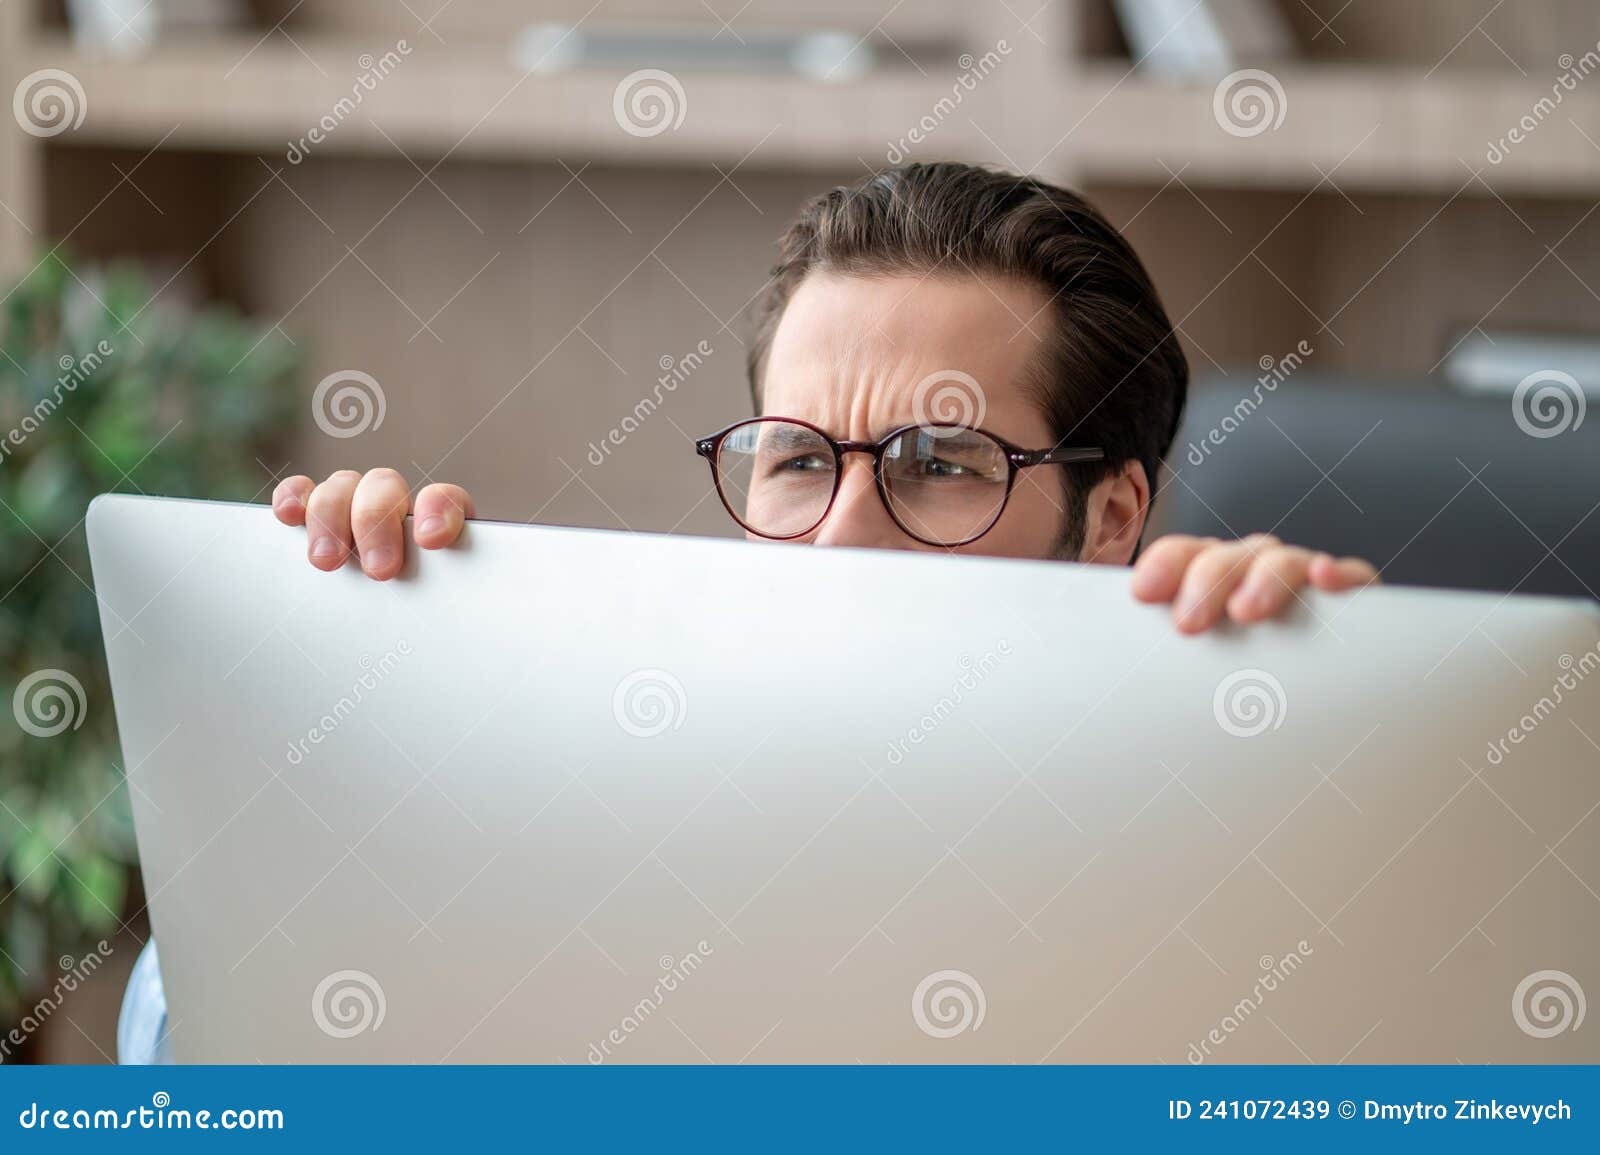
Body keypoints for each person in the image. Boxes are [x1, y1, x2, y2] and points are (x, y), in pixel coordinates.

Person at [118, 162, 1376, 1061]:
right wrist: (354, 724)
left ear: (1109, 518)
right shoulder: (611, 780)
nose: (839, 534)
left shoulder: (1211, 821)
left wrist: (1339, 759)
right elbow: (195, 1062)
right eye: (795, 461)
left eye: (939, 464)